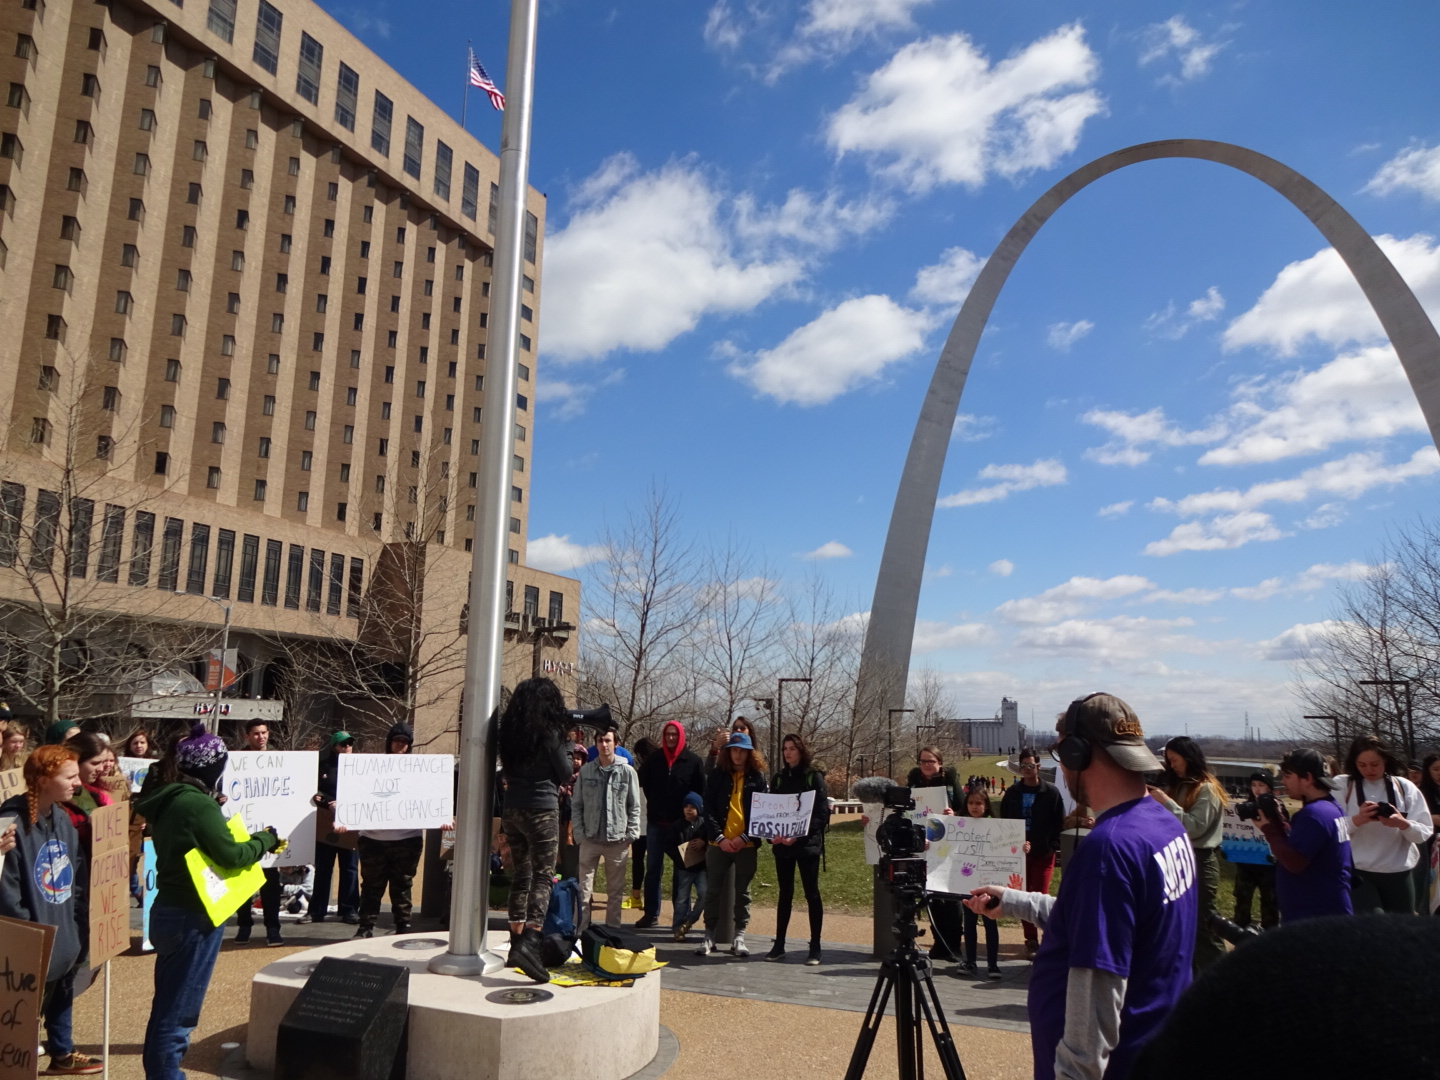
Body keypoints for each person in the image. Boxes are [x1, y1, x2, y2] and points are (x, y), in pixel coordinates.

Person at [964, 693, 1196, 1080]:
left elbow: (1099, 989)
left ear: (1075, 754)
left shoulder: (1109, 849)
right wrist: (1019, 903)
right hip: (1157, 1048)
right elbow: (1110, 924)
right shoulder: (1163, 823)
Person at [136, 722, 278, 1079]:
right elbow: (231, 854)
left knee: (167, 1004)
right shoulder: (196, 804)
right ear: (213, 767)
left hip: (171, 908)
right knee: (179, 1012)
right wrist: (264, 840)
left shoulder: (173, 796)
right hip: (193, 913)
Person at [0, 745, 101, 1075]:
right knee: (21, 1016)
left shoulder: (63, 819)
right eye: (69, 776)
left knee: (62, 995)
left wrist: (77, 925)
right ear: (43, 781)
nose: (78, 783)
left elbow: (78, 878)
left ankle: (62, 1052)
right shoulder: (10, 822)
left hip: (63, 936)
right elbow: (8, 891)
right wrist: (30, 937)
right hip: (30, 944)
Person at [497, 677, 574, 983]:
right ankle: (531, 941)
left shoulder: (511, 731)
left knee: (521, 875)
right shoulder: (551, 731)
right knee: (543, 874)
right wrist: (567, 740)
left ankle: (515, 942)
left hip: (512, 808)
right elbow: (566, 772)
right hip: (542, 808)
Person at [1148, 736, 1228, 972]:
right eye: (1168, 761)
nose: (1171, 765)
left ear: (1189, 758)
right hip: (1178, 859)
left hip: (1201, 862)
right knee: (1182, 926)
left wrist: (1166, 802)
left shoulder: (1207, 789)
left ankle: (1222, 979)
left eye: (1175, 760)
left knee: (1203, 927)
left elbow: (1194, 827)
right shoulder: (1179, 785)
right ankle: (1193, 981)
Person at [1332, 734, 1432, 914]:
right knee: (1374, 927)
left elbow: (1424, 832)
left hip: (1399, 872)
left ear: (1385, 759)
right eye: (1362, 765)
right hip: (1359, 871)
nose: (1369, 770)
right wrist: (1357, 820)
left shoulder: (1404, 786)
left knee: (1401, 931)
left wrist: (1402, 823)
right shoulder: (1343, 785)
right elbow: (1331, 829)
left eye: (1375, 764)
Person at [1254, 747, 1352, 922]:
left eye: (1288, 776)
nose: (1283, 781)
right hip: (1327, 911)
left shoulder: (1315, 814)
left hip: (1315, 917)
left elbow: (1294, 862)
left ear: (1308, 778)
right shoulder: (1331, 807)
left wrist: (1268, 829)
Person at [695, 731, 768, 958]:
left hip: (746, 845)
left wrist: (743, 838)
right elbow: (708, 810)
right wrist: (720, 839)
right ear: (728, 753)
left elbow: (762, 813)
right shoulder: (717, 776)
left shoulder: (758, 778)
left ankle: (739, 936)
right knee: (712, 891)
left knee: (743, 892)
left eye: (742, 751)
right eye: (734, 750)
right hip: (719, 845)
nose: (738, 755)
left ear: (749, 753)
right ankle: (709, 935)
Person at [765, 732, 830, 965]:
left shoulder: (814, 777)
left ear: (801, 750)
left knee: (812, 894)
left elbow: (822, 813)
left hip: (807, 847)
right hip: (782, 847)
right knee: (785, 894)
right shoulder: (779, 778)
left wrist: (799, 837)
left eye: (792, 748)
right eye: (785, 749)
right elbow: (770, 811)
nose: (788, 752)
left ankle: (815, 947)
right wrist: (771, 835)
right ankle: (779, 944)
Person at [354, 723, 424, 939]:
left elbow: (431, 797)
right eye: (397, 741)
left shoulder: (421, 770)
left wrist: (442, 815)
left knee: (402, 884)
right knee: (371, 886)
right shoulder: (371, 767)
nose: (400, 745)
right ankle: (366, 926)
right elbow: (356, 793)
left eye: (405, 742)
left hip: (407, 838)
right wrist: (344, 813)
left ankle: (403, 925)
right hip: (373, 838)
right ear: (389, 742)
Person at [634, 719, 705, 929]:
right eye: (667, 734)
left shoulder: (693, 761)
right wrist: (655, 803)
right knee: (653, 869)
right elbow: (643, 783)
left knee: (681, 872)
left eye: (675, 734)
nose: (671, 738)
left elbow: (700, 792)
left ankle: (680, 917)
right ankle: (650, 914)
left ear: (681, 736)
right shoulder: (654, 760)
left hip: (681, 826)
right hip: (656, 823)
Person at [571, 728, 641, 930]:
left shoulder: (627, 772)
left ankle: (612, 935)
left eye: (608, 740)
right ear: (596, 743)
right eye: (600, 740)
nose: (604, 744)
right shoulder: (586, 771)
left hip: (617, 841)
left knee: (615, 893)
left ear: (616, 744)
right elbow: (577, 805)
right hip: (590, 840)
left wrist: (631, 835)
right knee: (584, 891)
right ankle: (581, 932)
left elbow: (634, 806)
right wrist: (580, 835)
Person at [999, 747, 1065, 959]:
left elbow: (1059, 822)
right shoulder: (1013, 793)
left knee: (1042, 895)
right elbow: (1004, 820)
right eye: (1024, 765)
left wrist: (1051, 845)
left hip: (1044, 853)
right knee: (1024, 895)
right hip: (1018, 853)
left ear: (1038, 766)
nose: (1027, 769)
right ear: (1020, 767)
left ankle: (1049, 938)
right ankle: (1031, 939)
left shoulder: (1051, 792)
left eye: (1031, 765)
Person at [229, 719, 285, 945]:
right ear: (247, 736)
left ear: (268, 734)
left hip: (270, 834)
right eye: (255, 733)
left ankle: (273, 928)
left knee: (270, 886)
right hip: (244, 833)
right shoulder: (235, 762)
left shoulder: (280, 760)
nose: (260, 737)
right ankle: (244, 926)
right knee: (243, 885)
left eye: (263, 733)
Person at [906, 746, 962, 963]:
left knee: (952, 898)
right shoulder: (913, 785)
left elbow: (965, 808)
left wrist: (954, 813)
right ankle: (939, 944)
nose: (927, 765)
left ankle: (954, 945)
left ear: (940, 762)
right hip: (924, 846)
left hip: (948, 846)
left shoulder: (950, 785)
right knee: (932, 896)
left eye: (931, 761)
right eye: (923, 761)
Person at [959, 784, 1011, 980]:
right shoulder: (959, 824)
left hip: (990, 885)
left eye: (979, 803)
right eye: (971, 802)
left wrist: (1023, 847)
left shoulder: (997, 826)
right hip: (967, 884)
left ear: (986, 806)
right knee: (969, 924)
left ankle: (992, 964)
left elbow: (1008, 847)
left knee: (990, 922)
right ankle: (970, 961)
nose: (974, 806)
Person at [307, 731, 360, 924]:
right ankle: (316, 910)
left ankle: (349, 910)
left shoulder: (360, 768)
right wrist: (329, 802)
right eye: (343, 744)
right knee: (323, 868)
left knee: (350, 868)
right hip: (326, 823)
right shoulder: (323, 767)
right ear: (334, 747)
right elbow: (314, 793)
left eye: (350, 743)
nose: (347, 746)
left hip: (350, 824)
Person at [1230, 773, 1280, 930]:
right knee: (1242, 904)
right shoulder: (1245, 807)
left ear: (1269, 788)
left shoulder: (1278, 807)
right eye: (1254, 785)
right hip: (1246, 864)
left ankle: (1269, 939)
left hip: (1269, 865)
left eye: (1261, 785)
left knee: (1270, 904)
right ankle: (1239, 936)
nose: (1257, 789)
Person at [669, 792, 707, 940]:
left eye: (693, 807)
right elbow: (668, 845)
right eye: (686, 806)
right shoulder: (677, 826)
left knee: (705, 893)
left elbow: (711, 838)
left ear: (699, 808)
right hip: (684, 869)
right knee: (682, 898)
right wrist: (680, 857)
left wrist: (703, 841)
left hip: (701, 867)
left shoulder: (704, 824)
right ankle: (678, 927)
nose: (689, 809)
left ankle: (690, 921)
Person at [625, 737, 654, 909]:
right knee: (652, 862)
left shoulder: (641, 772)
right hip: (650, 822)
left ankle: (637, 896)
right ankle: (647, 897)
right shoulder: (659, 769)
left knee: (639, 860)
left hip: (643, 822)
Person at [1419, 753, 1440, 913]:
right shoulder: (1422, 792)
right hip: (1428, 843)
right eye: (1436, 769)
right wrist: (1431, 818)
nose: (1439, 773)